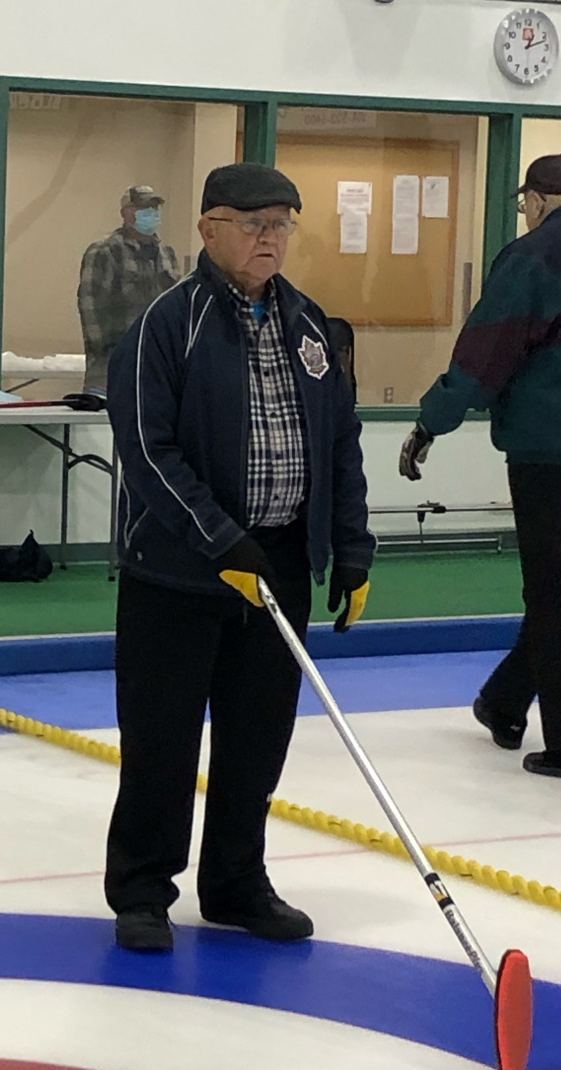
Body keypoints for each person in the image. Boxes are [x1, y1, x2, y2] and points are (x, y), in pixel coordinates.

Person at [105, 162, 374, 951]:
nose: (269, 237)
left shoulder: (313, 326)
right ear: (208, 229)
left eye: (282, 224)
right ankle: (144, 890)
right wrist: (220, 539)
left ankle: (235, 883)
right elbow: (148, 452)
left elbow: (339, 444)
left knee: (258, 740)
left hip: (281, 566)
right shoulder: (166, 323)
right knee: (162, 740)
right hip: (179, 571)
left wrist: (350, 552)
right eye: (252, 223)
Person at [399, 153, 561, 780]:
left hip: (546, 452)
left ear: (543, 200)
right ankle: (503, 700)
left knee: (550, 590)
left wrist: (429, 423)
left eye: (525, 203)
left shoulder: (532, 259)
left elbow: (485, 355)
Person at [77, 185, 180, 398]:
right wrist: (106, 354)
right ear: (125, 212)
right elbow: (90, 309)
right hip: (112, 367)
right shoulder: (105, 251)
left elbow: (175, 306)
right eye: (143, 208)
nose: (150, 214)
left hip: (157, 365)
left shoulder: (167, 254)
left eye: (154, 209)